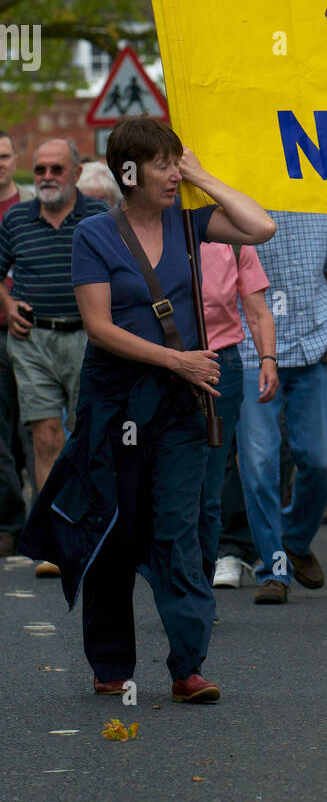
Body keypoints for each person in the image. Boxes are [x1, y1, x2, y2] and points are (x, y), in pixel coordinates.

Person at [19, 117, 275, 702]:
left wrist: (199, 174)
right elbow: (99, 328)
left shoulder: (192, 223)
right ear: (129, 172)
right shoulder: (94, 235)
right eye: (163, 164)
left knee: (178, 528)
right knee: (113, 528)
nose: (172, 174)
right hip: (115, 403)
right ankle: (110, 664)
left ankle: (188, 667)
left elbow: (262, 227)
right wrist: (176, 359)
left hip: (180, 408)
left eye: (175, 163)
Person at [0, 139, 108, 576]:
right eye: (40, 169)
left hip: (89, 339)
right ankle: (55, 542)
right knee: (45, 438)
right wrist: (7, 308)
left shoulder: (98, 217)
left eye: (56, 169)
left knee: (89, 438)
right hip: (33, 340)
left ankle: (92, 531)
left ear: (77, 173)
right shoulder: (16, 218)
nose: (46, 177)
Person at [234, 213, 327, 604]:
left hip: (313, 343)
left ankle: (294, 540)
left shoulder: (322, 198)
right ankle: (273, 566)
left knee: (323, 459)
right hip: (251, 345)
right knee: (260, 463)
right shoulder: (239, 201)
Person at [200, 239, 278, 582]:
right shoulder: (152, 229)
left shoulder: (231, 240)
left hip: (220, 366)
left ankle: (196, 591)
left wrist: (268, 359)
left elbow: (258, 311)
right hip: (163, 367)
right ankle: (170, 575)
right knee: (170, 481)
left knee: (209, 486)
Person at [0, 131, 35, 558]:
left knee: (38, 430)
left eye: (6, 156)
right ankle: (10, 521)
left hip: (31, 331)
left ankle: (44, 519)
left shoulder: (31, 204)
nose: (1, 163)